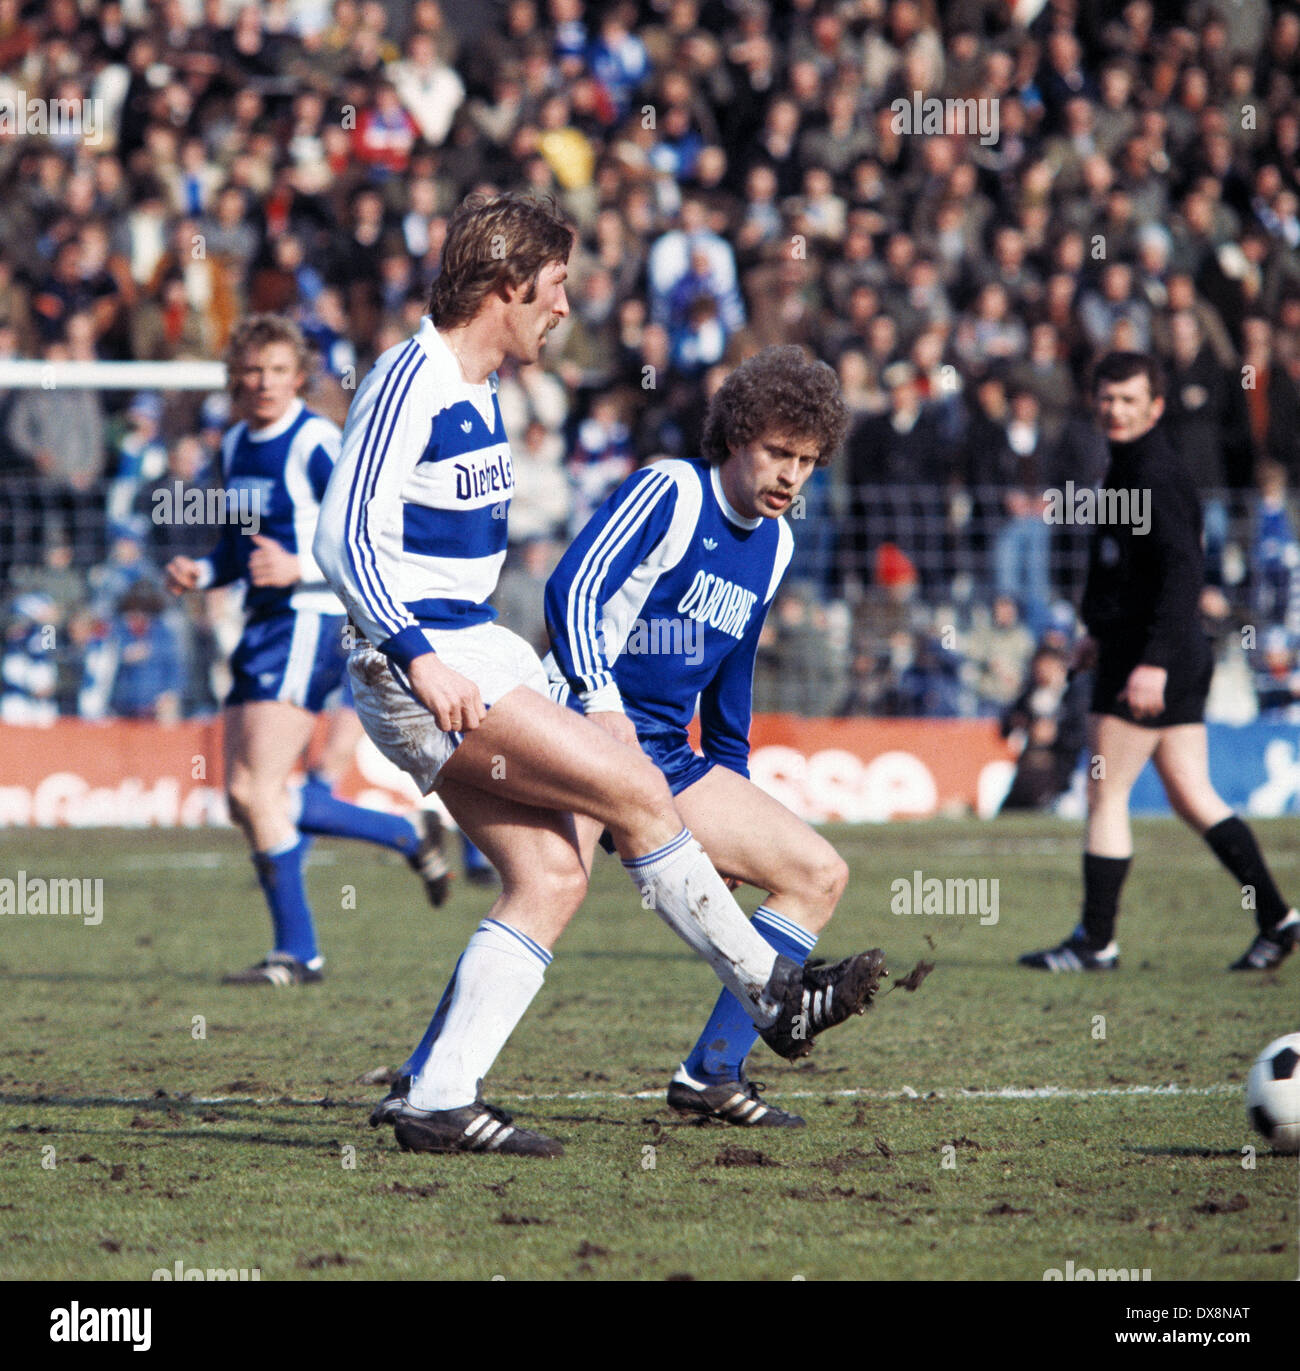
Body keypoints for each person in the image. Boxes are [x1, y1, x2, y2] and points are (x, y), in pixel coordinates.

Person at [314, 193, 886, 1159]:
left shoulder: (479, 387)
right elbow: (341, 534)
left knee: (550, 874)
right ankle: (773, 993)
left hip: (474, 646)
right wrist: (418, 654)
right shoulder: (411, 378)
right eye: (556, 285)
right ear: (507, 284)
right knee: (633, 784)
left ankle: (437, 1096)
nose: (565, 308)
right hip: (418, 656)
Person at [542, 345, 856, 1126]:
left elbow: (732, 674)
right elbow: (571, 587)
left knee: (816, 874)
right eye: (777, 452)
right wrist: (598, 699)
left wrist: (732, 788)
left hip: (667, 756)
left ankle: (713, 1072)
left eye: (808, 460)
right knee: (544, 891)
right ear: (735, 438)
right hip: (577, 725)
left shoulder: (777, 544)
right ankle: (433, 1085)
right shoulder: (671, 489)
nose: (790, 474)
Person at [165, 314, 448, 986]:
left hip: (309, 617)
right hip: (265, 620)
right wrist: (203, 574)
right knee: (248, 798)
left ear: (299, 376)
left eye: (277, 370)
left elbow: (370, 531)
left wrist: (300, 570)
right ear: (237, 377)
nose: (263, 382)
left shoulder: (315, 440)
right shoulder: (234, 443)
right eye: (252, 371)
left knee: (252, 786)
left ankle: (299, 952)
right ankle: (405, 835)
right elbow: (241, 546)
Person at [1020, 351, 1298, 972]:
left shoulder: (1155, 473)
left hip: (1150, 658)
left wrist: (1152, 664)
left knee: (1105, 792)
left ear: (1155, 406)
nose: (1114, 409)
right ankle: (1278, 920)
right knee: (1193, 796)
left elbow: (1182, 574)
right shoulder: (1124, 467)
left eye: (1127, 399)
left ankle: (1096, 942)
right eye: (1106, 398)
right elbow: (1127, 566)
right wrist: (1097, 631)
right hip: (1153, 651)